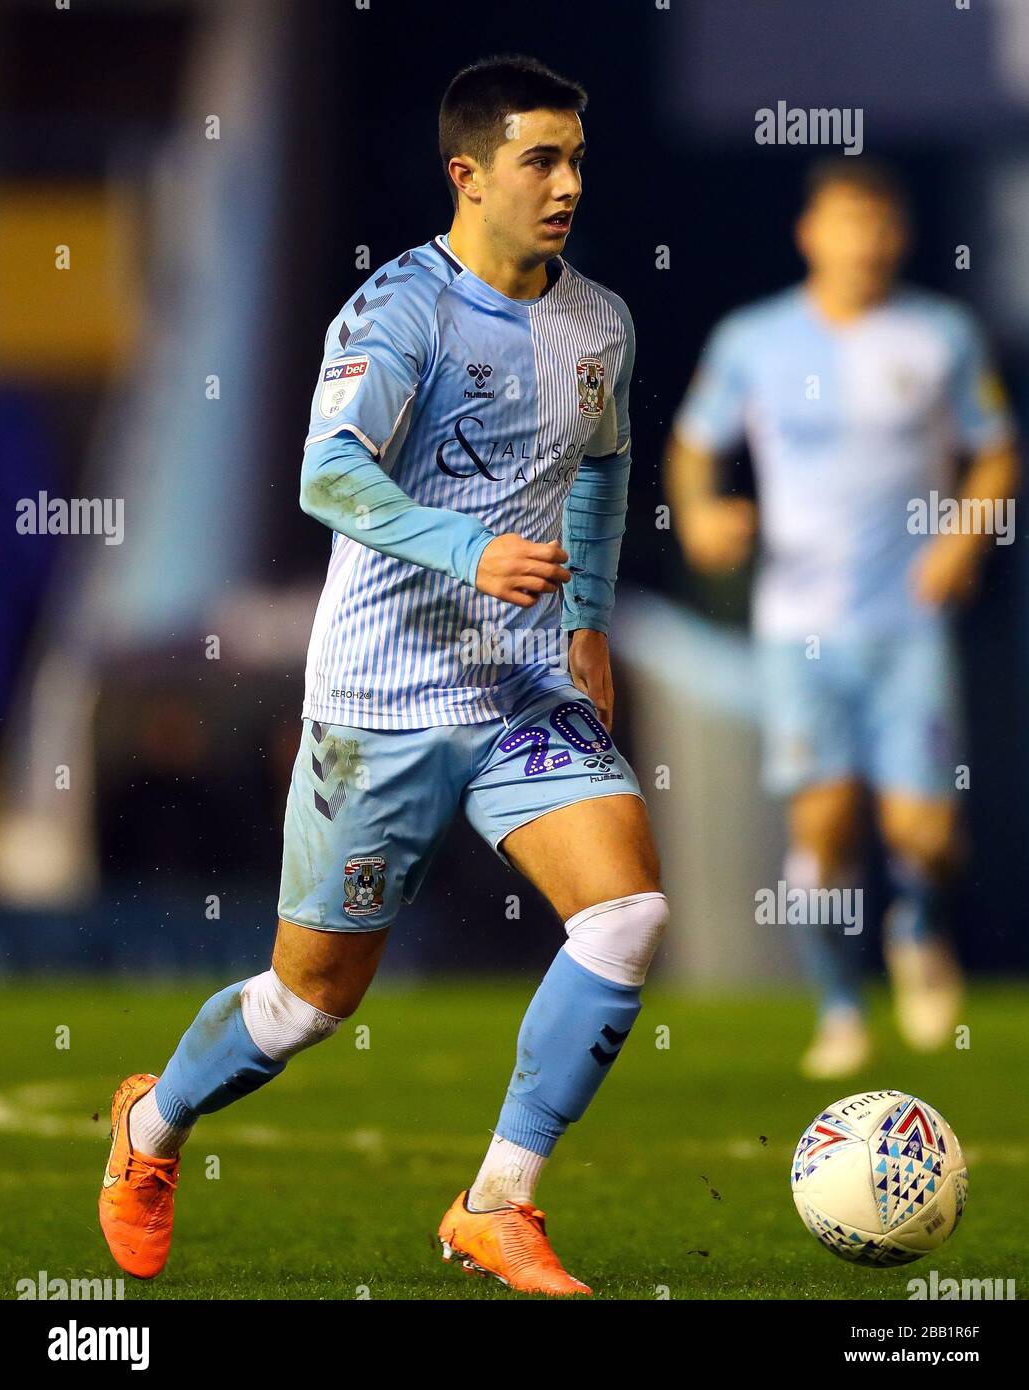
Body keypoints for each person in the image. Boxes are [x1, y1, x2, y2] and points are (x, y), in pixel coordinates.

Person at [99, 54, 668, 1297]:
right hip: (381, 704)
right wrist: (473, 548)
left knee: (623, 916)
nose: (567, 182)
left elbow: (604, 471)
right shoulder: (397, 310)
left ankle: (493, 1203)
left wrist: (585, 621)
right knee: (308, 1003)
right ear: (468, 174)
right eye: (539, 159)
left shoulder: (601, 322)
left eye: (576, 157)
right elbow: (328, 476)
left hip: (520, 689)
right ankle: (149, 1127)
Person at [666, 159, 1017, 1079]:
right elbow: (693, 448)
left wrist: (961, 538)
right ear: (809, 234)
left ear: (894, 237)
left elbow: (993, 454)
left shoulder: (939, 335)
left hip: (905, 625)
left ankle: (916, 926)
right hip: (797, 626)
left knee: (923, 835)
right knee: (820, 831)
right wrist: (702, 513)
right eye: (842, 224)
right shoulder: (755, 340)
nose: (859, 243)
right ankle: (837, 1006)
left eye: (875, 226)